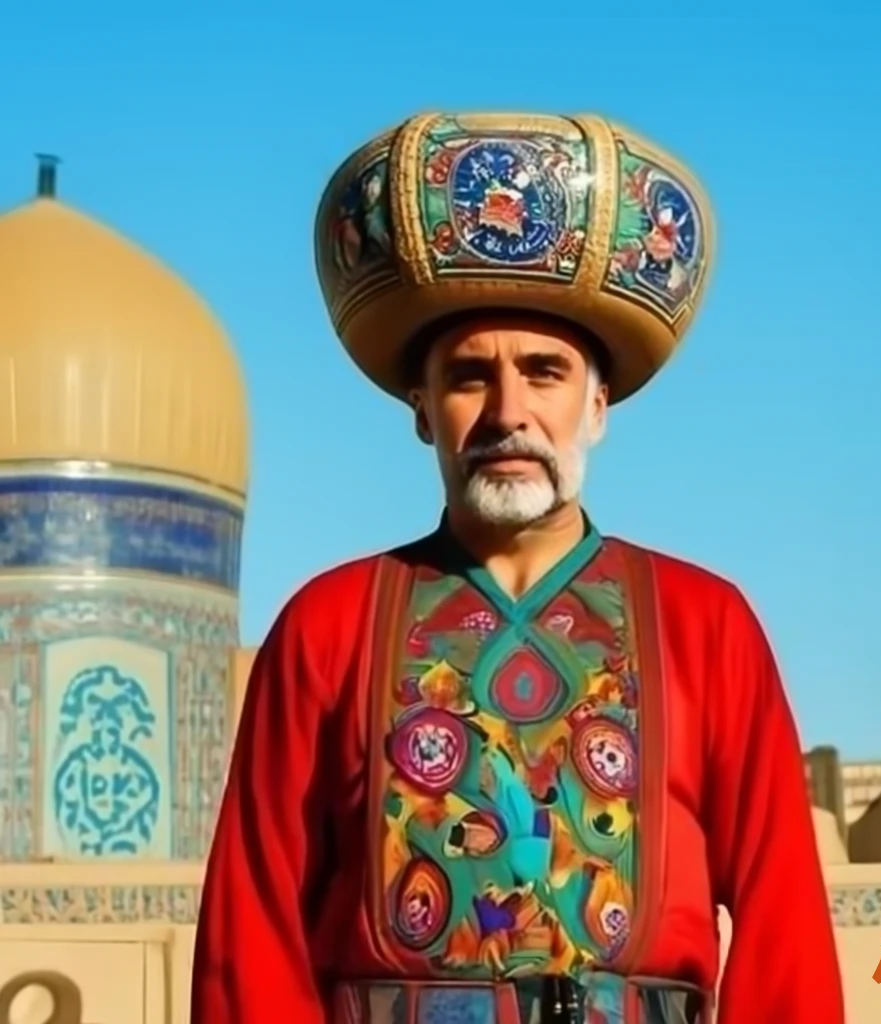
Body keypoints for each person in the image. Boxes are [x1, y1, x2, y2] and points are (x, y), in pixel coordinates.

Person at [191, 112, 845, 1024]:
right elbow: (249, 938)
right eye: (468, 376)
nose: (508, 411)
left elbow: (787, 934)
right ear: (422, 409)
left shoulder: (706, 624)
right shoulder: (327, 625)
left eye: (543, 372)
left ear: (598, 403)